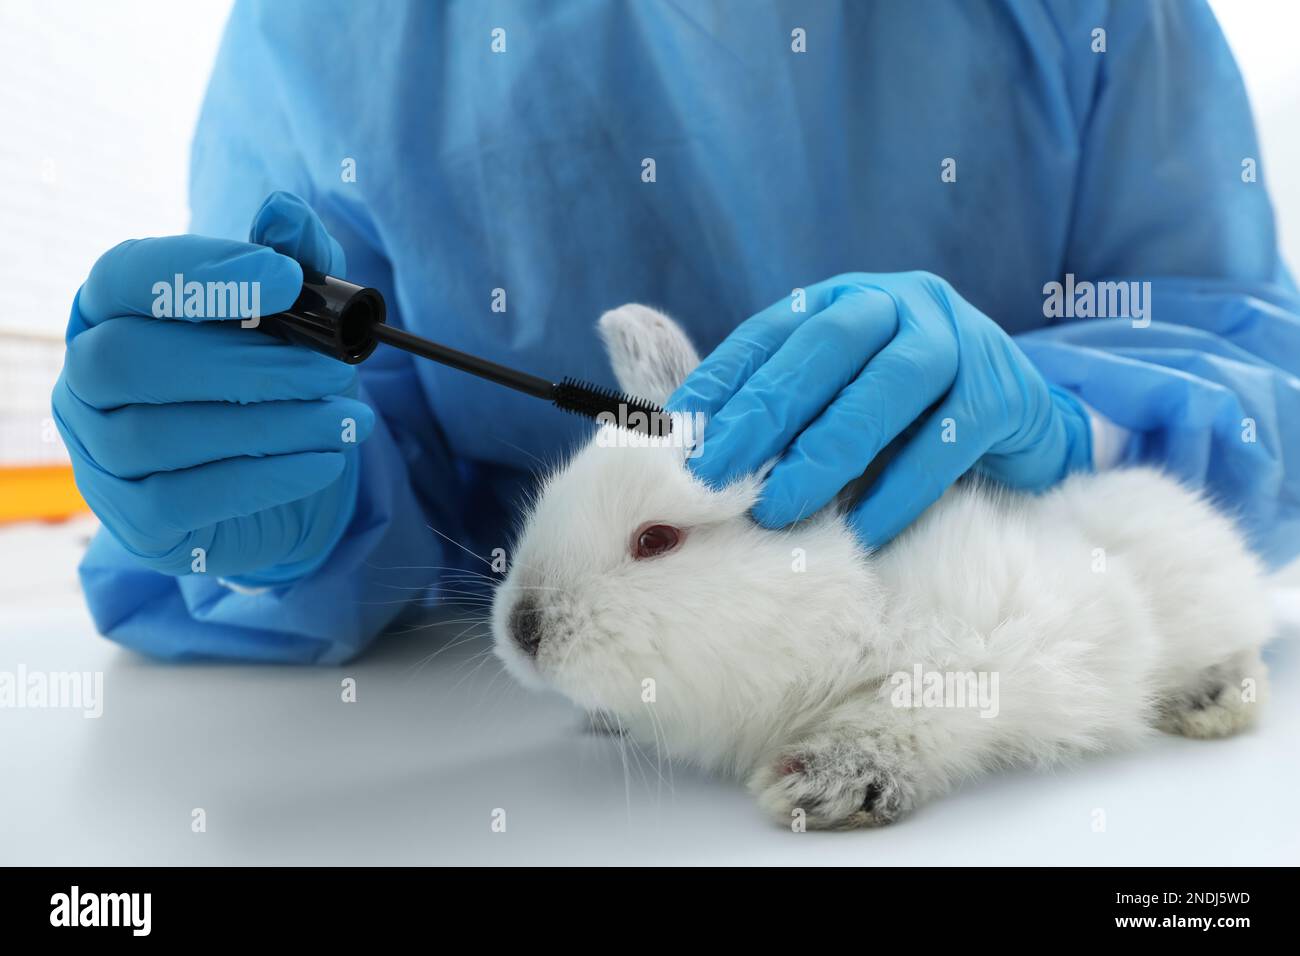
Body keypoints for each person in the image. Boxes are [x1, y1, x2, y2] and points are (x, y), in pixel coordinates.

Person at [52, 1, 1300, 663]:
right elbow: (326, 403)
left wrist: (1069, 419)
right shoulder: (324, 33)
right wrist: (257, 474)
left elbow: (1238, 346)